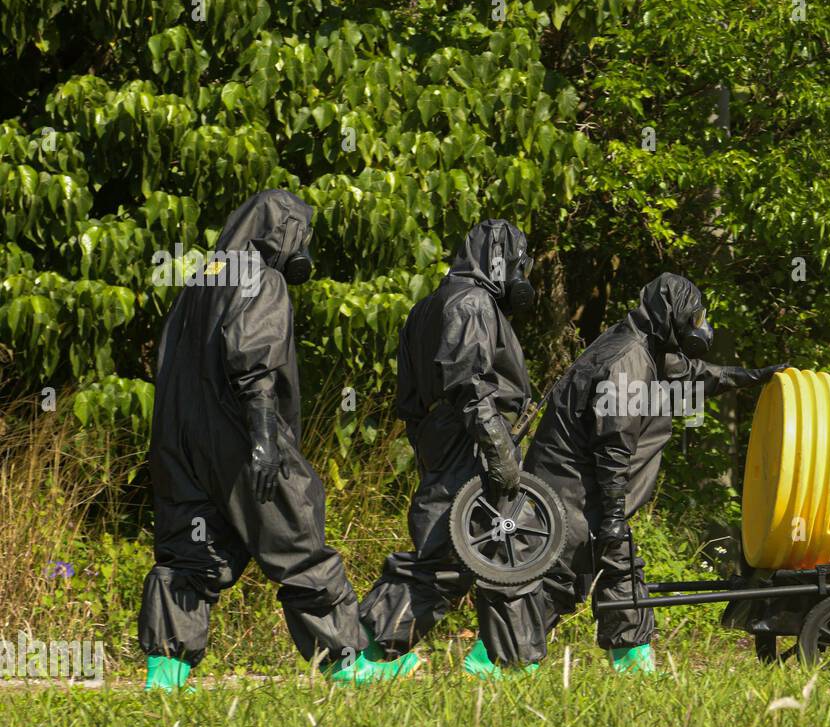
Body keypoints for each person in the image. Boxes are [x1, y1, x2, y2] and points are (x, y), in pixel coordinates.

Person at [139, 189, 415, 690]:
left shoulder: (199, 281)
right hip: (242, 436)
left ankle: (166, 669)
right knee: (297, 537)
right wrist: (264, 436)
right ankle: (347, 661)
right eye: (300, 235)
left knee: (190, 551)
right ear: (283, 231)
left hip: (180, 442)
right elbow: (253, 356)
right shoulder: (259, 278)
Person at [472, 272, 784, 676]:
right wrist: (615, 516)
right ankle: (491, 663)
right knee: (558, 577)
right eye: (692, 317)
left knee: (614, 568)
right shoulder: (628, 361)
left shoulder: (647, 345)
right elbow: (613, 447)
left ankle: (632, 662)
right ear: (672, 313)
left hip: (585, 487)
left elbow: (692, 376)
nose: (697, 326)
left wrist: (753, 377)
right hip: (573, 488)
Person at [360, 219, 534, 664]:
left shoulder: (429, 306)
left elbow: (409, 399)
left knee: (505, 551)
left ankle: (504, 660)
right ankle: (367, 649)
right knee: (445, 556)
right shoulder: (472, 303)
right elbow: (470, 386)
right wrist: (498, 450)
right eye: (518, 264)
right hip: (470, 442)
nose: (522, 275)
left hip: (449, 440)